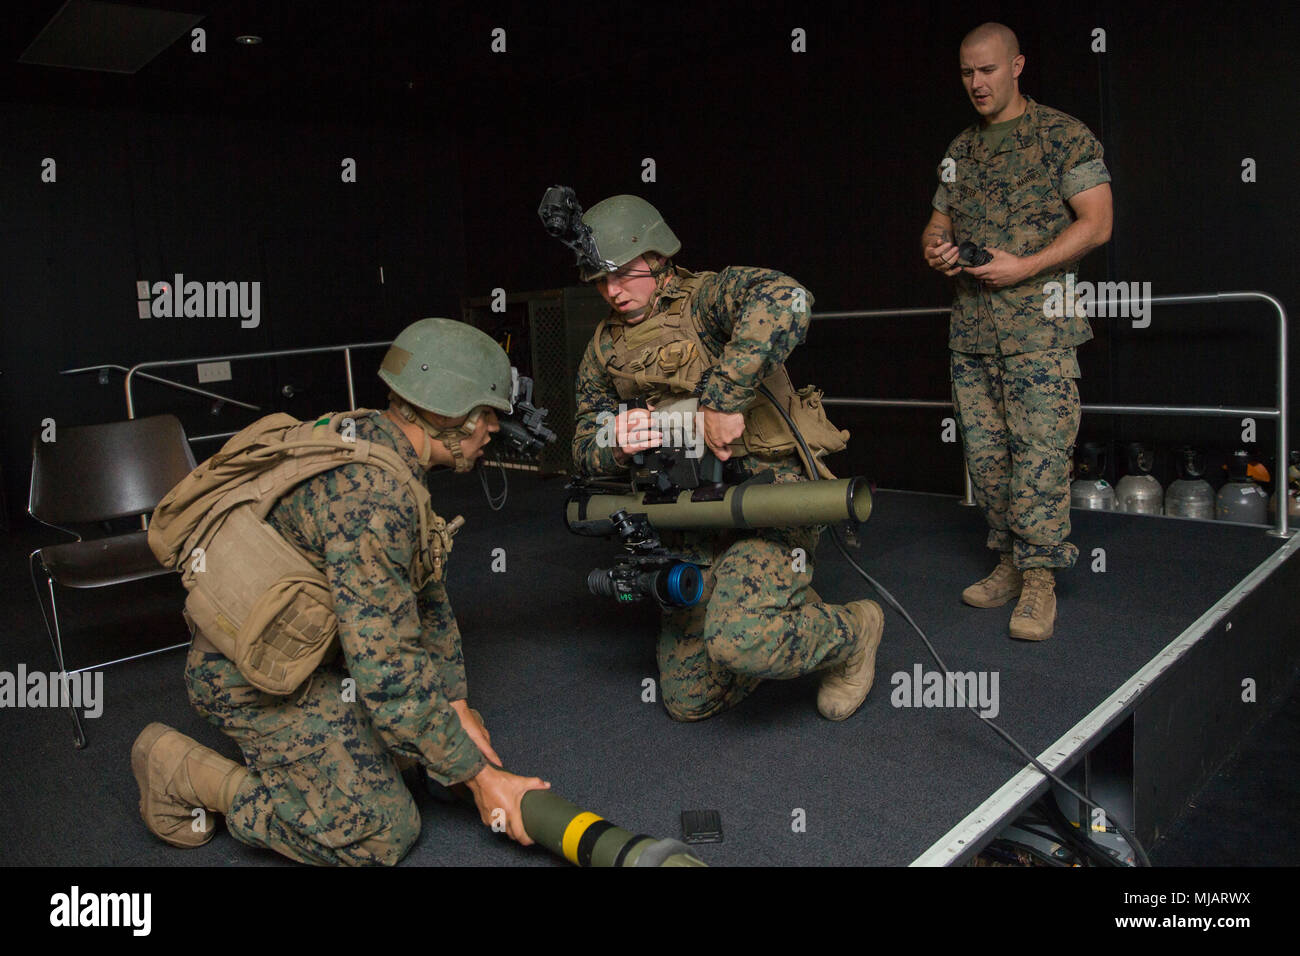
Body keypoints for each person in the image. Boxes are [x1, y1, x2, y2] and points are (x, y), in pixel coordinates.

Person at [132, 317, 549, 865]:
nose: (494, 430)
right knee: (381, 835)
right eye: (489, 415)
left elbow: (424, 598)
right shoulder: (375, 497)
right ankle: (183, 771)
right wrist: (480, 780)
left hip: (311, 659)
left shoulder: (372, 439)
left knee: (417, 752)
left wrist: (455, 703)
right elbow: (387, 674)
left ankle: (316, 764)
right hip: (250, 683)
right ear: (455, 415)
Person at [569, 194, 884, 722]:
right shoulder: (603, 349)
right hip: (685, 515)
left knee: (739, 641)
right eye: (600, 281)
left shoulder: (709, 299)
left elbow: (789, 297)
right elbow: (580, 448)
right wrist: (613, 442)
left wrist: (722, 398)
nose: (612, 291)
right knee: (688, 700)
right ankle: (777, 610)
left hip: (765, 499)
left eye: (623, 274)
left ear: (658, 257)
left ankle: (854, 634)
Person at [920, 22, 1113, 640]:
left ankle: (1039, 581)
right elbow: (936, 225)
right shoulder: (959, 149)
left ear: (1018, 65)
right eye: (966, 73)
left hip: (1040, 330)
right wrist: (936, 249)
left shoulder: (1063, 134)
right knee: (987, 457)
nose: (977, 83)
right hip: (972, 331)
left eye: (988, 70)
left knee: (1040, 456)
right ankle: (1006, 561)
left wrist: (1024, 266)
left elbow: (1098, 223)